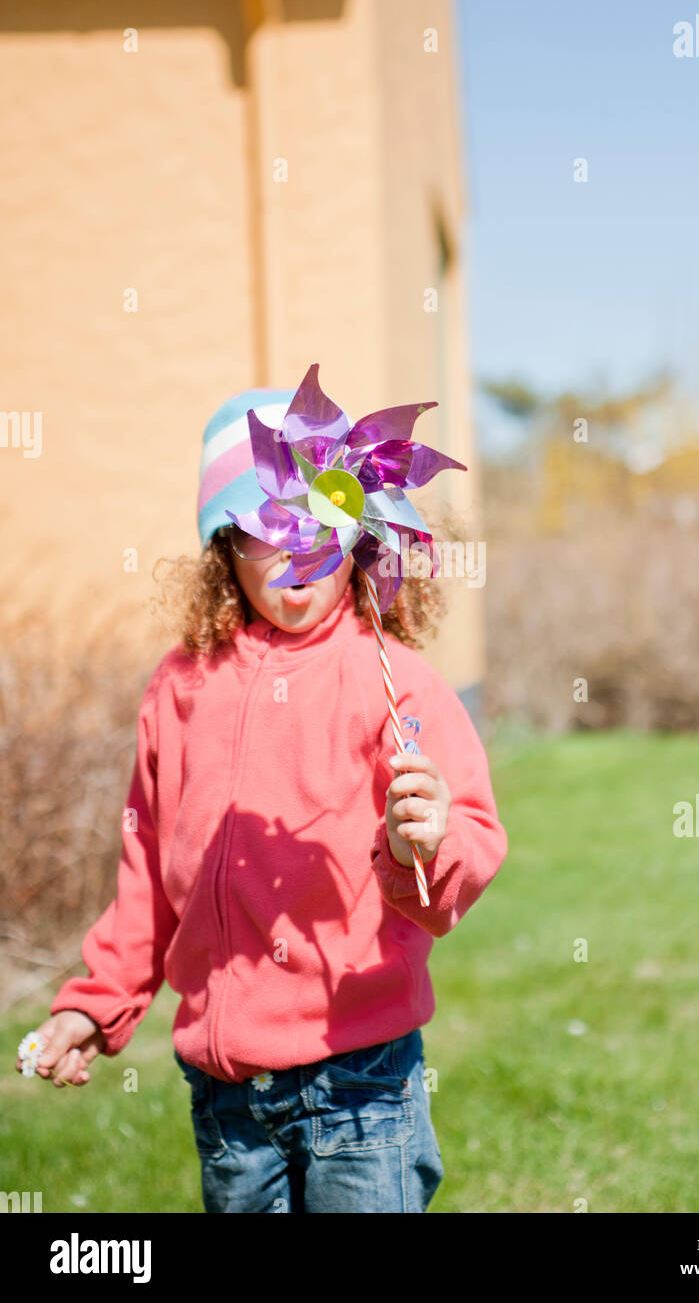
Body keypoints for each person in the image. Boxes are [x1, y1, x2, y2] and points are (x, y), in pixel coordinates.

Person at [15, 388, 508, 1214]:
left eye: (317, 529)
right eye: (264, 534)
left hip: (358, 1080)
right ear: (221, 548)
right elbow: (148, 875)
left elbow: (468, 846)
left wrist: (427, 844)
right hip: (227, 1095)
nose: (295, 558)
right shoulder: (180, 688)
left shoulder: (395, 684)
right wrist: (97, 1005)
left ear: (358, 531)